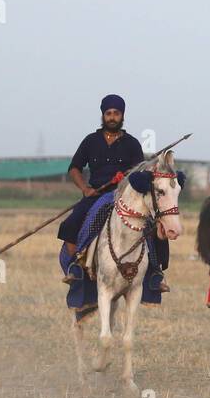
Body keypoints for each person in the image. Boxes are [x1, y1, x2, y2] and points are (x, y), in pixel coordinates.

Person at [57, 94, 168, 291]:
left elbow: (139, 174)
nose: (112, 117)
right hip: (95, 195)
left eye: (116, 113)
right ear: (103, 115)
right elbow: (74, 168)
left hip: (125, 197)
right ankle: (75, 267)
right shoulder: (90, 141)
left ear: (122, 115)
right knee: (70, 225)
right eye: (108, 113)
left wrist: (127, 178)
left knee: (155, 225)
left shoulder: (132, 144)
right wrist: (85, 189)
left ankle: (156, 273)